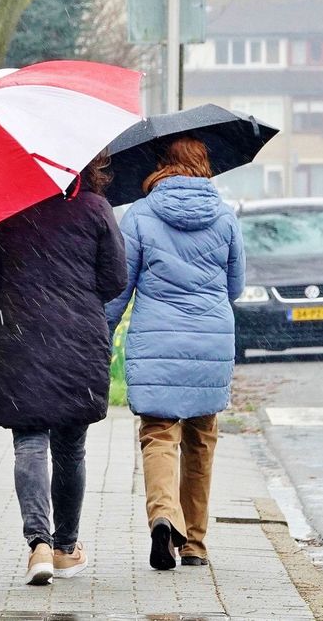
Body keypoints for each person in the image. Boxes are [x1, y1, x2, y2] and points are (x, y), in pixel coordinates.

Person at [0, 152, 127, 586]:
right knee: (71, 448)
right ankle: (65, 547)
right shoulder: (95, 208)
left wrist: (8, 312)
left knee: (30, 444)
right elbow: (114, 278)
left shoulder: (3, 209)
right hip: (79, 342)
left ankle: (36, 542)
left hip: (21, 338)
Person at [104, 137, 245, 571]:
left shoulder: (141, 215)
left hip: (158, 341)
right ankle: (196, 545)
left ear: (162, 163)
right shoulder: (225, 217)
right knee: (201, 439)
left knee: (159, 433)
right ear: (205, 162)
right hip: (209, 340)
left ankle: (164, 516)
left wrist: (102, 336)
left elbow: (118, 287)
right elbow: (234, 286)